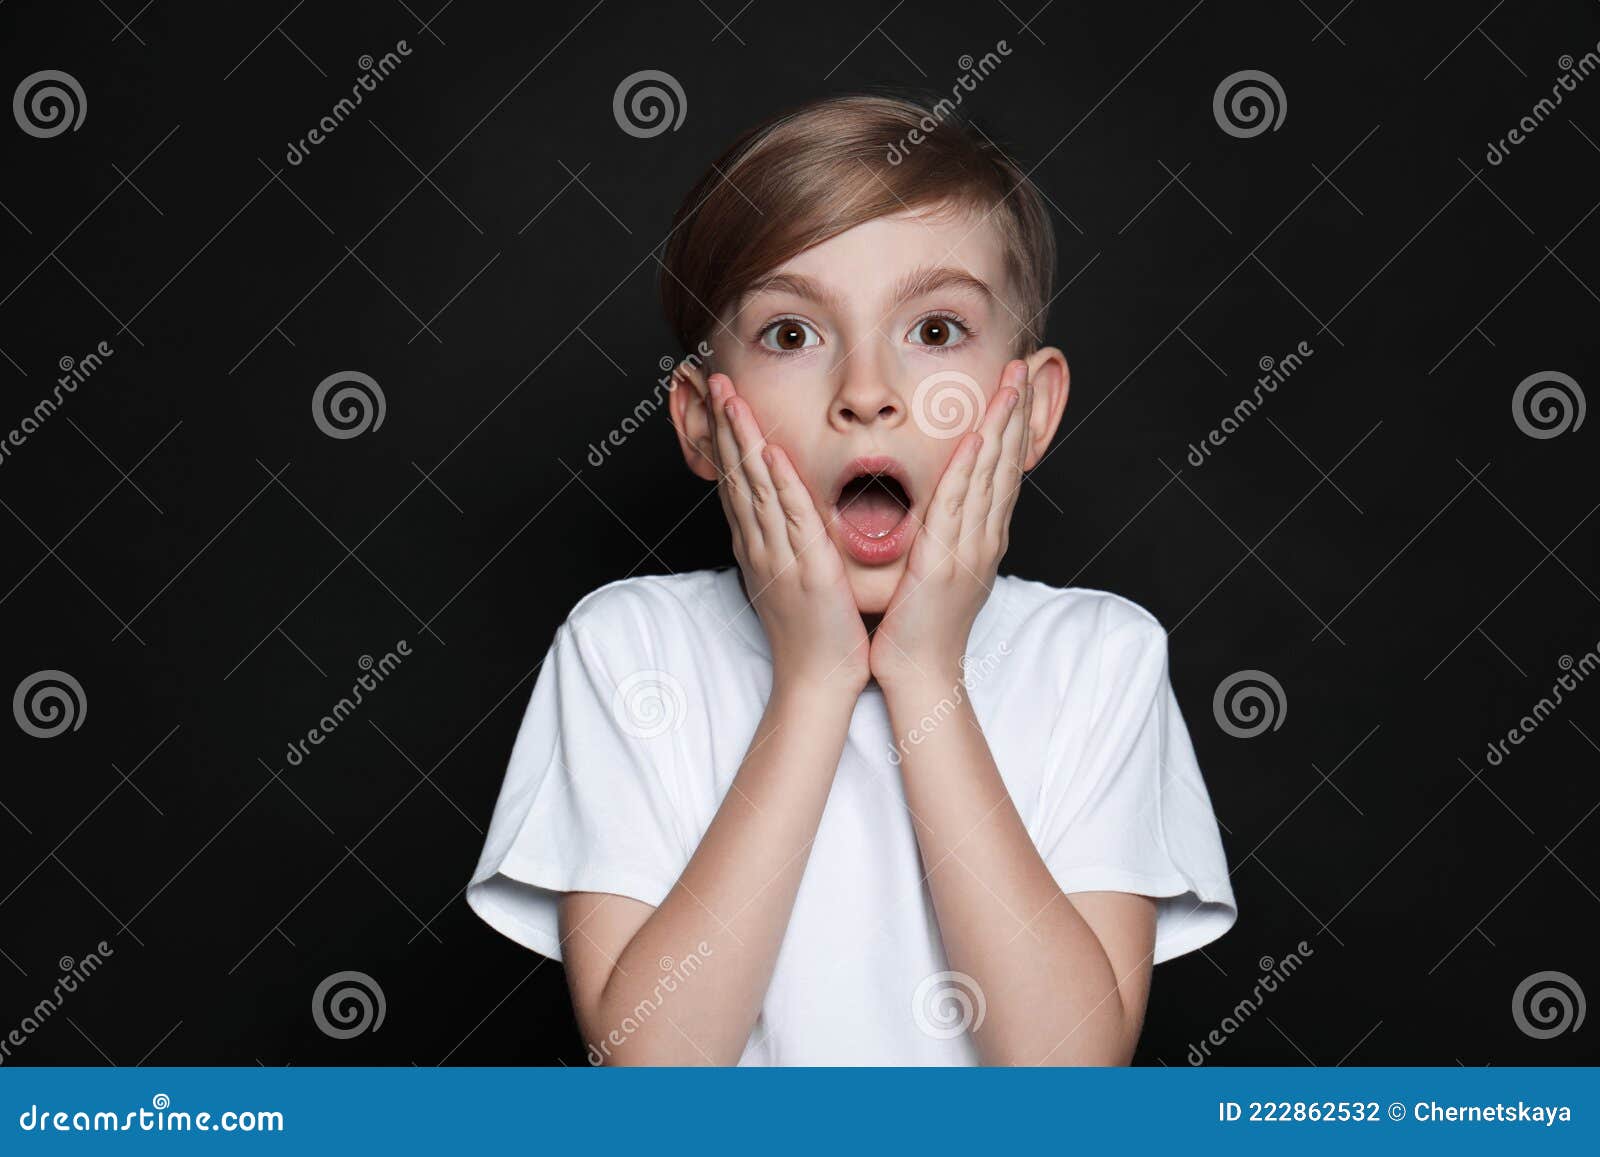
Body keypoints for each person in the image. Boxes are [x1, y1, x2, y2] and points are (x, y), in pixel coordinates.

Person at [465, 92, 1236, 1065]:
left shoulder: (1098, 658)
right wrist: (814, 680)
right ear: (701, 420)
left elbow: (1065, 1075)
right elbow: (654, 1076)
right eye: (792, 335)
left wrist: (923, 670)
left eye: (936, 330)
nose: (866, 393)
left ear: (1031, 411)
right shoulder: (627, 647)